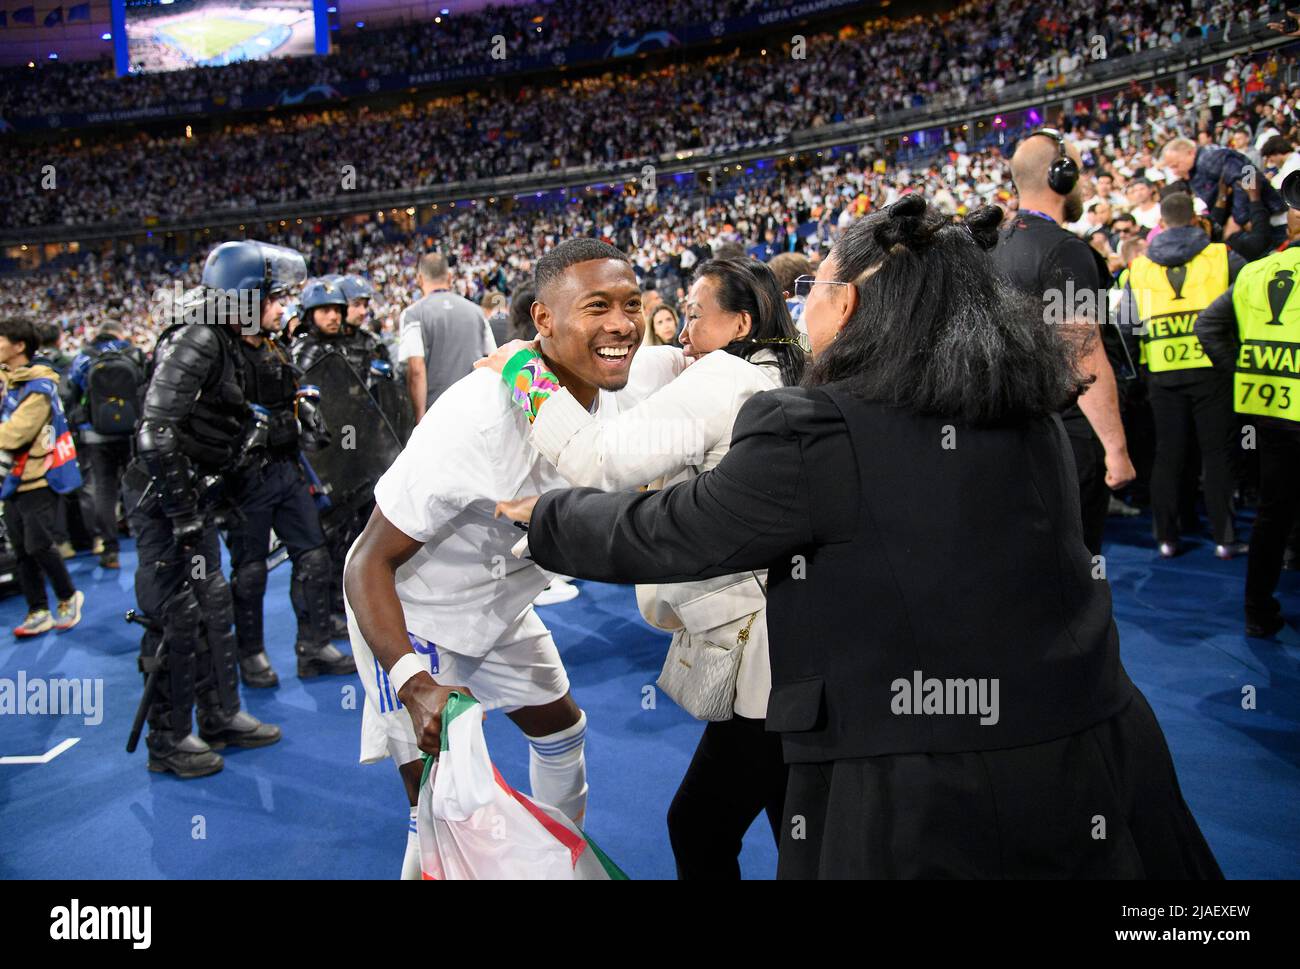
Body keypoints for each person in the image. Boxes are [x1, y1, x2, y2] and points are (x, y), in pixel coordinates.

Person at [502, 197, 1224, 880]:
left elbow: (667, 531)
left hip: (926, 789)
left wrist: (545, 517)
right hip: (1099, 751)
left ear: (844, 302)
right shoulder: (1024, 406)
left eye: (817, 282)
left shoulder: (813, 428)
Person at [342, 238, 683, 879]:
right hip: (418, 615)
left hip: (503, 603)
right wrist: (412, 681)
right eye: (597, 306)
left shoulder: (626, 369)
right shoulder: (475, 418)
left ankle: (559, 865)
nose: (621, 324)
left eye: (632, 304)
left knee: (562, 731)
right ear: (543, 321)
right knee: (439, 807)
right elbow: (366, 562)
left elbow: (703, 362)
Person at [485, 257, 804, 879]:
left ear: (740, 324)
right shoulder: (782, 371)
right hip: (800, 642)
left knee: (700, 823)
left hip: (766, 651)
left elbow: (600, 461)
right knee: (794, 816)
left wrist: (523, 371)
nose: (682, 333)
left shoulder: (724, 375)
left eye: (695, 316)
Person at [122, 241, 283, 777]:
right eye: (272, 297)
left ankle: (220, 716)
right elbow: (155, 431)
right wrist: (183, 513)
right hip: (163, 503)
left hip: (193, 496)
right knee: (176, 616)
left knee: (213, 607)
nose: (281, 308)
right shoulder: (198, 337)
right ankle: (168, 741)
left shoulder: (228, 338)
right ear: (245, 297)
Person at [994, 128, 1136, 555]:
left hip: (1003, 431)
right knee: (1074, 564)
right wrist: (1116, 449)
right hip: (1062, 437)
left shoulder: (986, 246)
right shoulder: (1065, 250)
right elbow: (1082, 355)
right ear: (1061, 176)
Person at [226, 275, 354, 689]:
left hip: (287, 468)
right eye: (272, 302)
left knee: (314, 557)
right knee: (249, 572)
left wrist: (306, 411)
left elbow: (297, 388)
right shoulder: (224, 355)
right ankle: (250, 655)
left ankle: (314, 646)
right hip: (246, 476)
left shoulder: (275, 347)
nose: (282, 310)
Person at [1120, 192, 1246, 558]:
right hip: (1213, 369)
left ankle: (1166, 537)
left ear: (1162, 222)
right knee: (1218, 454)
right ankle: (1224, 539)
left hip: (1162, 372)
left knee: (1168, 455)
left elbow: (1128, 328)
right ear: (1193, 218)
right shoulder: (1223, 256)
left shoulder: (1139, 268)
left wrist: (1139, 372)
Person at [1198, 236, 1300, 637]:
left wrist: (1241, 371)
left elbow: (1206, 325)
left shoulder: (1255, 270)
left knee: (1273, 512)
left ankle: (1258, 611)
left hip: (1269, 409)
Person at [0, 317, 84, 637]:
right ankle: (37, 610)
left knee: (38, 544)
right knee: (21, 549)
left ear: (19, 346)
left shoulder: (39, 387)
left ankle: (67, 595)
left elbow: (15, 434)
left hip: (39, 477)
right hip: (13, 480)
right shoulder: (13, 379)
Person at [63, 319, 145, 569]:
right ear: (119, 332)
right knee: (139, 485)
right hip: (132, 431)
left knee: (104, 490)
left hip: (96, 434)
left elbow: (69, 395)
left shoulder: (83, 358)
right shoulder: (134, 353)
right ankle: (147, 540)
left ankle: (109, 548)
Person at [399, 253, 497, 422]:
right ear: (450, 277)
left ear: (419, 279)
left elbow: (416, 370)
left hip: (436, 415)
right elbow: (493, 360)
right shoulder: (477, 312)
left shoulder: (412, 314)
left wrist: (420, 421)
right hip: (474, 412)